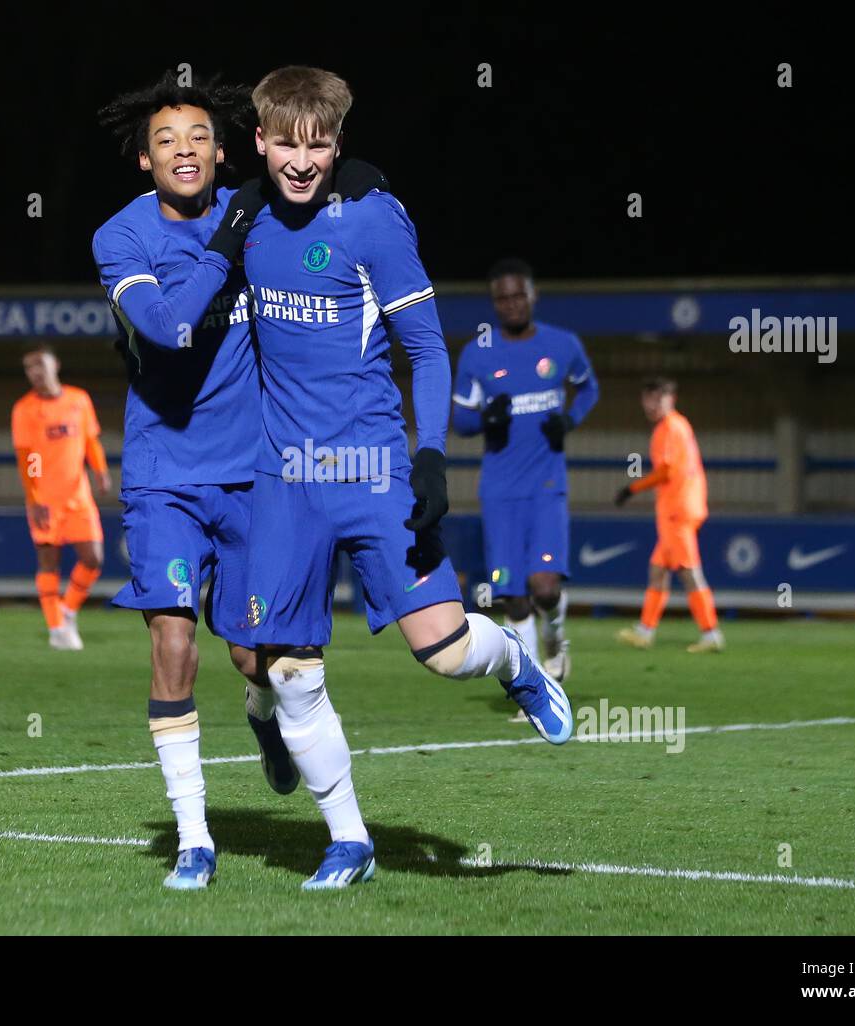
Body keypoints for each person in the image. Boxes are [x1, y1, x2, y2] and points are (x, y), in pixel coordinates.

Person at [241, 66, 573, 891]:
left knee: (446, 651)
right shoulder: (238, 218)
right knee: (282, 667)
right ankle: (349, 840)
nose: (300, 161)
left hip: (372, 468)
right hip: (284, 475)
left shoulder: (374, 222)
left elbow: (425, 350)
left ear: (339, 145)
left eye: (318, 145)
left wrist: (430, 456)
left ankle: (517, 665)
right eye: (285, 142)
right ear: (259, 140)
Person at [92, 71, 384, 889]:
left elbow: (329, 194)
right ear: (145, 163)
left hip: (259, 473)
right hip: (166, 477)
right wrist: (228, 243)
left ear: (224, 153)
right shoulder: (121, 239)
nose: (182, 150)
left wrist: (363, 183)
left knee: (265, 663)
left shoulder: (263, 215)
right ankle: (195, 840)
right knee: (174, 643)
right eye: (164, 142)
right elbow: (169, 327)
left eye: (196, 138)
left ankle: (264, 718)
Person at [452, 257, 598, 682]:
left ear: (533, 295)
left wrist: (570, 419)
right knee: (513, 596)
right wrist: (486, 420)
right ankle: (535, 686)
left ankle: (556, 638)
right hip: (499, 491)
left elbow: (589, 387)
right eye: (503, 298)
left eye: (519, 295)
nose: (512, 304)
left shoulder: (563, 345)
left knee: (545, 587)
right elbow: (460, 421)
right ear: (494, 304)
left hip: (547, 485)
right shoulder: (478, 355)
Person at [613, 377, 724, 653]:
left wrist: (632, 488)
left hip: (678, 510)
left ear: (670, 400)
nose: (652, 404)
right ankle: (644, 631)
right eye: (648, 399)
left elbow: (666, 471)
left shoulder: (669, 428)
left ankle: (711, 633)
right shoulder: (678, 425)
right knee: (658, 570)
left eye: (658, 399)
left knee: (688, 571)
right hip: (680, 508)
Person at [12, 344, 110, 650]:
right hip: (45, 499)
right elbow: (28, 458)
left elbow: (90, 440)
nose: (35, 372)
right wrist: (34, 496)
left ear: (56, 364)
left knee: (93, 559)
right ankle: (56, 628)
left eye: (40, 364)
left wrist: (100, 470)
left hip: (78, 496)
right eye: (29, 367)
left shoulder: (78, 400)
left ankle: (67, 609)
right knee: (48, 563)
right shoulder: (25, 409)